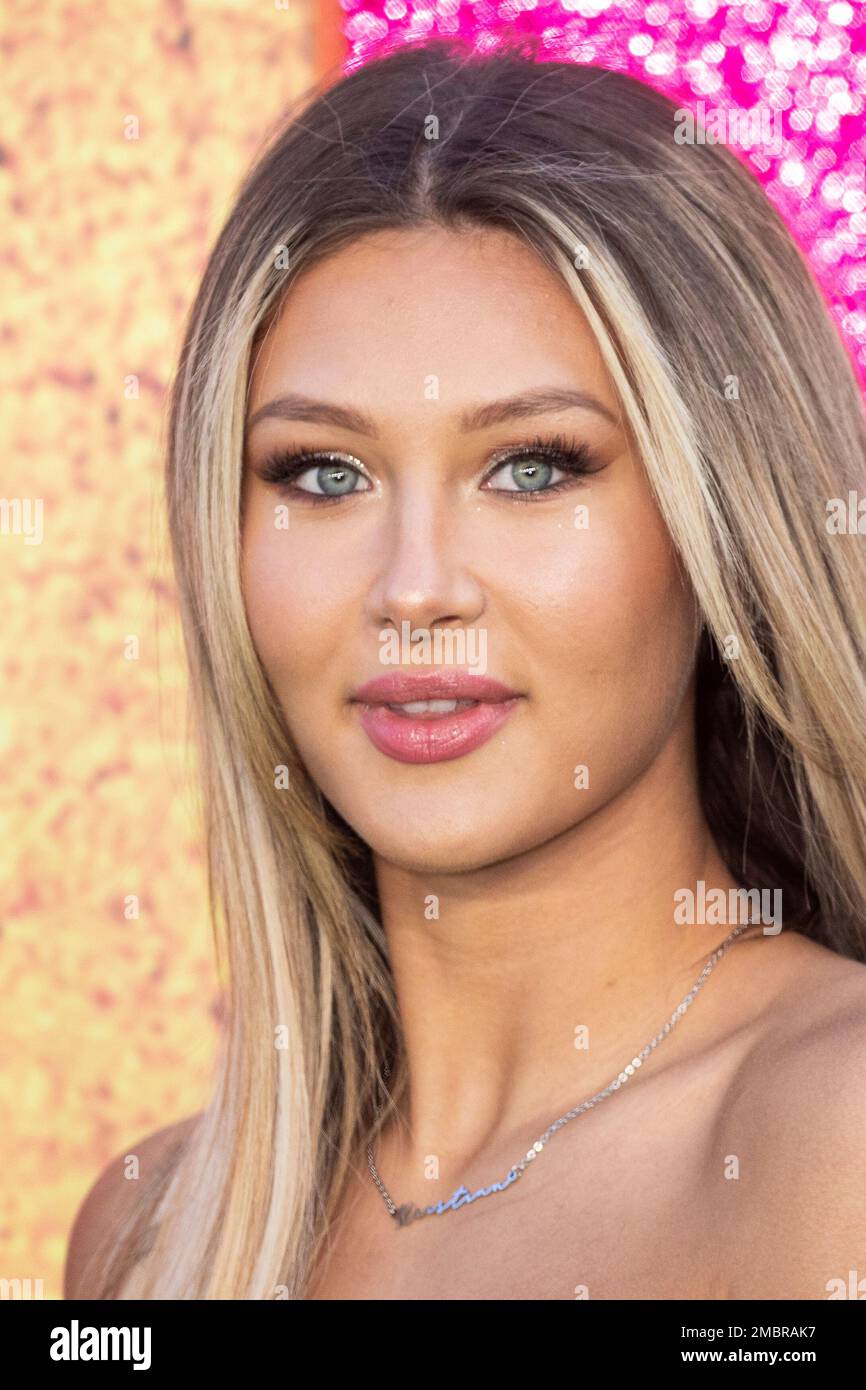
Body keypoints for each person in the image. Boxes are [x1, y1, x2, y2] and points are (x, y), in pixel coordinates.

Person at [65, 34, 866, 1301]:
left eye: (533, 465)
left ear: (721, 520)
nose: (414, 586)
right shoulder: (149, 1235)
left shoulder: (836, 1143)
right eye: (320, 474)